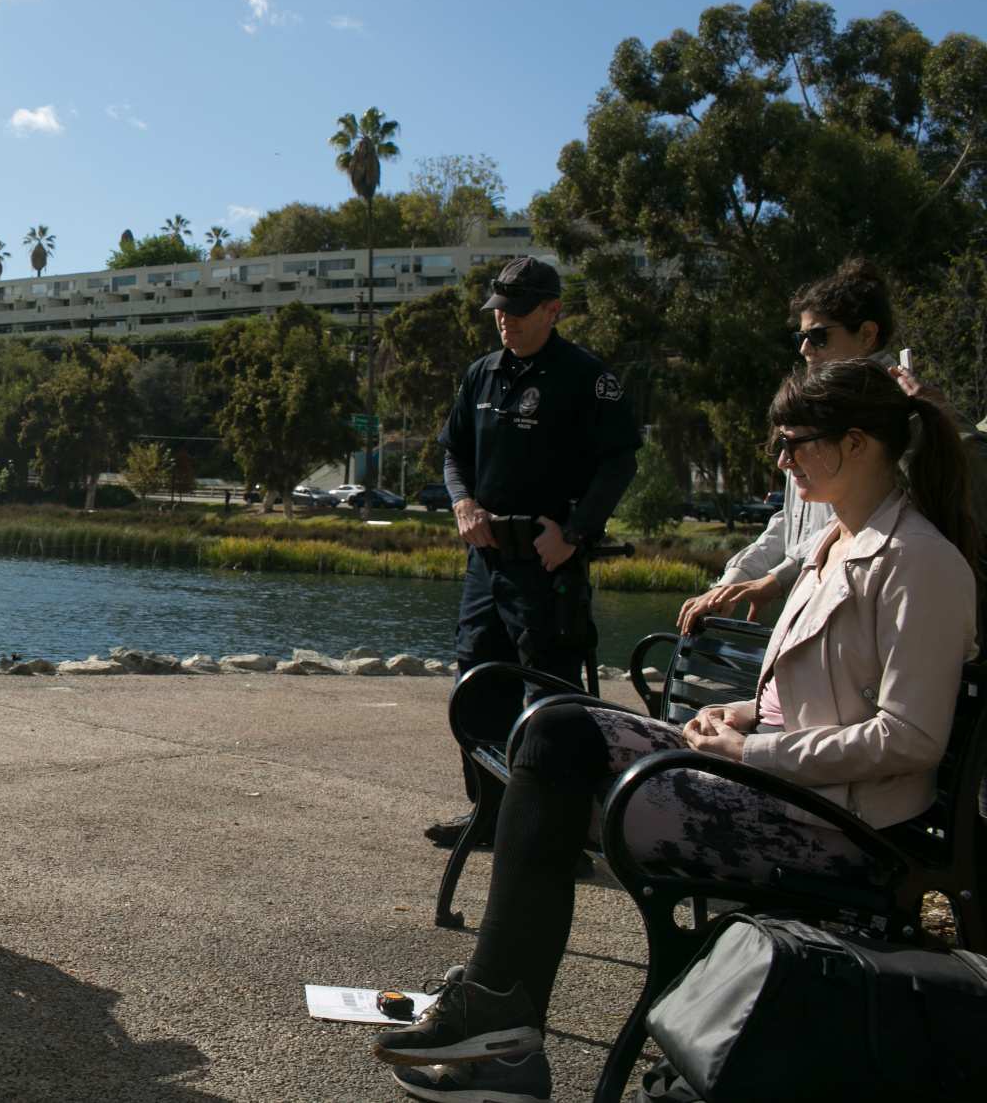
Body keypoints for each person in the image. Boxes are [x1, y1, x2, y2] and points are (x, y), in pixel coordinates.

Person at [375, 358, 980, 1102]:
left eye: (793, 441)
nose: (781, 458)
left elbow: (911, 737)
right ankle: (498, 1017)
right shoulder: (833, 545)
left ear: (857, 444)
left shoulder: (922, 562)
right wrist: (742, 714)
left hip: (834, 826)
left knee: (582, 777)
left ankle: (501, 1030)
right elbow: (815, 697)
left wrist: (754, 749)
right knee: (555, 726)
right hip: (778, 783)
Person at [424, 256, 641, 847]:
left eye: (519, 313)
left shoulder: (586, 377)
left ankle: (551, 834)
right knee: (476, 690)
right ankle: (491, 816)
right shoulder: (482, 374)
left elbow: (620, 460)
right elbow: (453, 454)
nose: (506, 323)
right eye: (499, 312)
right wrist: (462, 504)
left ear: (553, 310)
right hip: (487, 557)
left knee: (550, 705)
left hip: (549, 564)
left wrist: (574, 532)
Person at [677, 258, 896, 635]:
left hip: (860, 609)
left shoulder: (892, 411)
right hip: (813, 603)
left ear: (867, 334)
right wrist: (735, 578)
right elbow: (791, 519)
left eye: (819, 336)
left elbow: (854, 523)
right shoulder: (822, 405)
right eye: (801, 338)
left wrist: (776, 580)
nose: (805, 349)